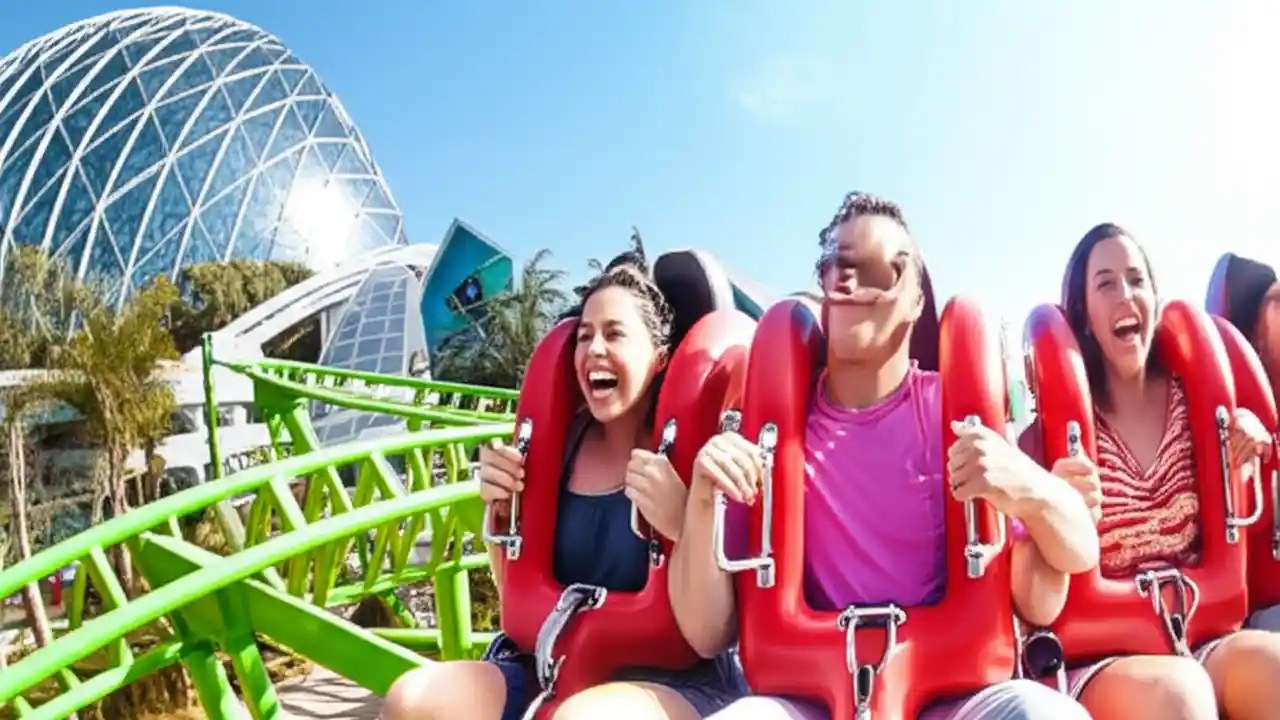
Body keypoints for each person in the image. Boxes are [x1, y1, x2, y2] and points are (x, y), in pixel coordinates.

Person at [669, 191, 1097, 720]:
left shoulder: (954, 414)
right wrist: (703, 504)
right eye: (836, 266)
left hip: (948, 693)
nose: (850, 283)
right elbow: (706, 631)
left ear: (916, 300)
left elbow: (1063, 571)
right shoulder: (774, 436)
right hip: (811, 698)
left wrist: (1030, 490)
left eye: (878, 271)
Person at [382, 238, 745, 720]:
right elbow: (517, 601)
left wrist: (684, 523)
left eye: (615, 334)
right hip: (551, 660)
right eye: (584, 335)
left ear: (659, 359)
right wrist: (502, 512)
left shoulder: (689, 454)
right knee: (412, 699)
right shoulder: (555, 450)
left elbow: (707, 634)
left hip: (668, 676)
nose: (594, 349)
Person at [1020, 224, 1280, 720]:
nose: (1126, 296)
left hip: (1200, 634)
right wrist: (1048, 506)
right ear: (1084, 314)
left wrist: (1247, 442)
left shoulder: (1201, 410)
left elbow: (1238, 518)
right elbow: (1033, 606)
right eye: (1106, 284)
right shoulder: (1051, 437)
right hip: (1104, 656)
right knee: (1181, 696)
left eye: (1137, 280)